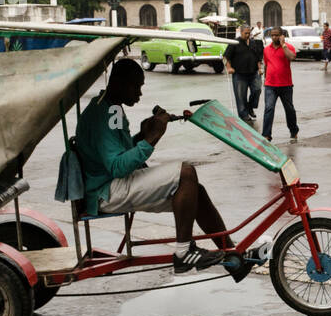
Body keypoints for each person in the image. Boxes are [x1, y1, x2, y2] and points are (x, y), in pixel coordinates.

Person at [76, 58, 249, 278]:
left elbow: (117, 152)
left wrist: (141, 136)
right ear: (119, 82)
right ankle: (183, 253)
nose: (139, 94)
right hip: (106, 191)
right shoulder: (106, 112)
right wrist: (152, 139)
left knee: (196, 191)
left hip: (109, 185)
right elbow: (117, 166)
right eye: (136, 86)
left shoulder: (110, 106)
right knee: (186, 172)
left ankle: (231, 254)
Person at [262, 26, 299, 143]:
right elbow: (266, 64)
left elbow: (292, 57)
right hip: (270, 85)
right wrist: (265, 78)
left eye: (276, 35)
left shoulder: (289, 47)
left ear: (282, 35)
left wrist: (283, 45)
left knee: (289, 109)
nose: (274, 37)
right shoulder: (266, 49)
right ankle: (266, 135)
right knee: (269, 108)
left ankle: (294, 131)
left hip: (285, 85)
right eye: (272, 35)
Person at [223, 24, 262, 125]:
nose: (248, 35)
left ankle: (250, 107)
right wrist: (229, 67)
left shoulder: (253, 43)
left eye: (249, 33)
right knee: (241, 97)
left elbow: (258, 57)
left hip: (253, 72)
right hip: (239, 74)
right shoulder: (234, 43)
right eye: (246, 33)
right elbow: (226, 57)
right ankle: (244, 116)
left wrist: (260, 68)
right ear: (241, 32)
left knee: (257, 89)